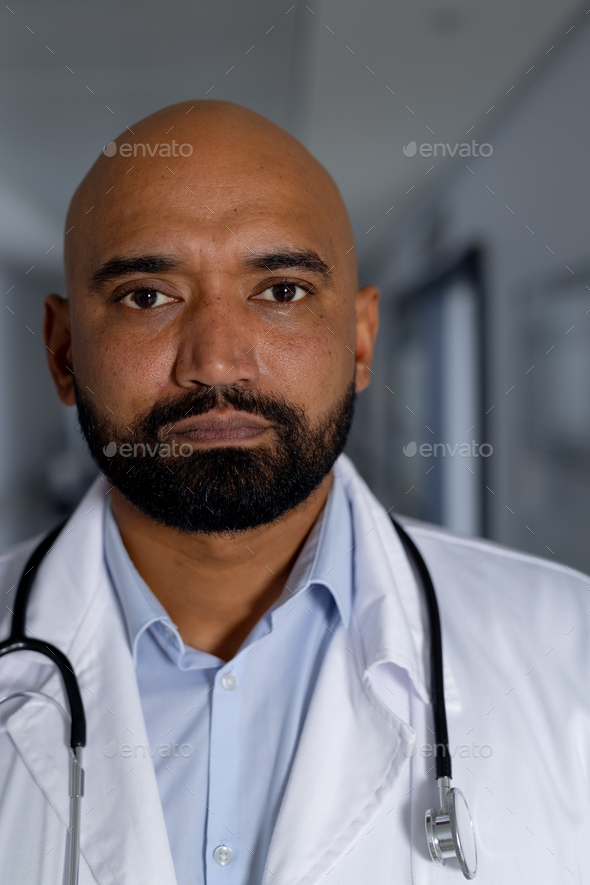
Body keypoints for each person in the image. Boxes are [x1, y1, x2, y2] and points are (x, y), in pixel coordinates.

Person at [0, 100, 589, 885]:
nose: (216, 361)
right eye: (148, 294)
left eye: (280, 290)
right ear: (65, 352)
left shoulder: (570, 651)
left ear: (359, 339)